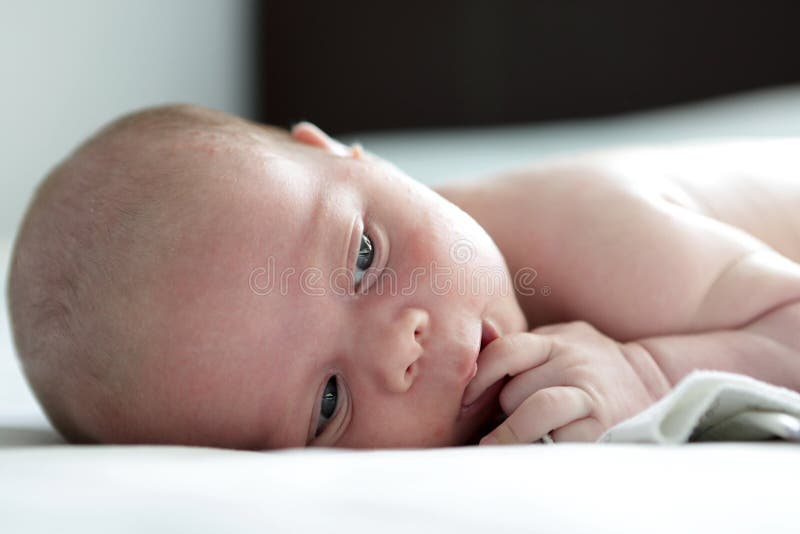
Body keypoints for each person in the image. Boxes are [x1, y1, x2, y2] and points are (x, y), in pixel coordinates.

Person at [8, 104, 800, 449]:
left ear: (348, 154)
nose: (401, 347)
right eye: (327, 402)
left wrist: (647, 370)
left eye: (362, 257)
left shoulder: (594, 229)